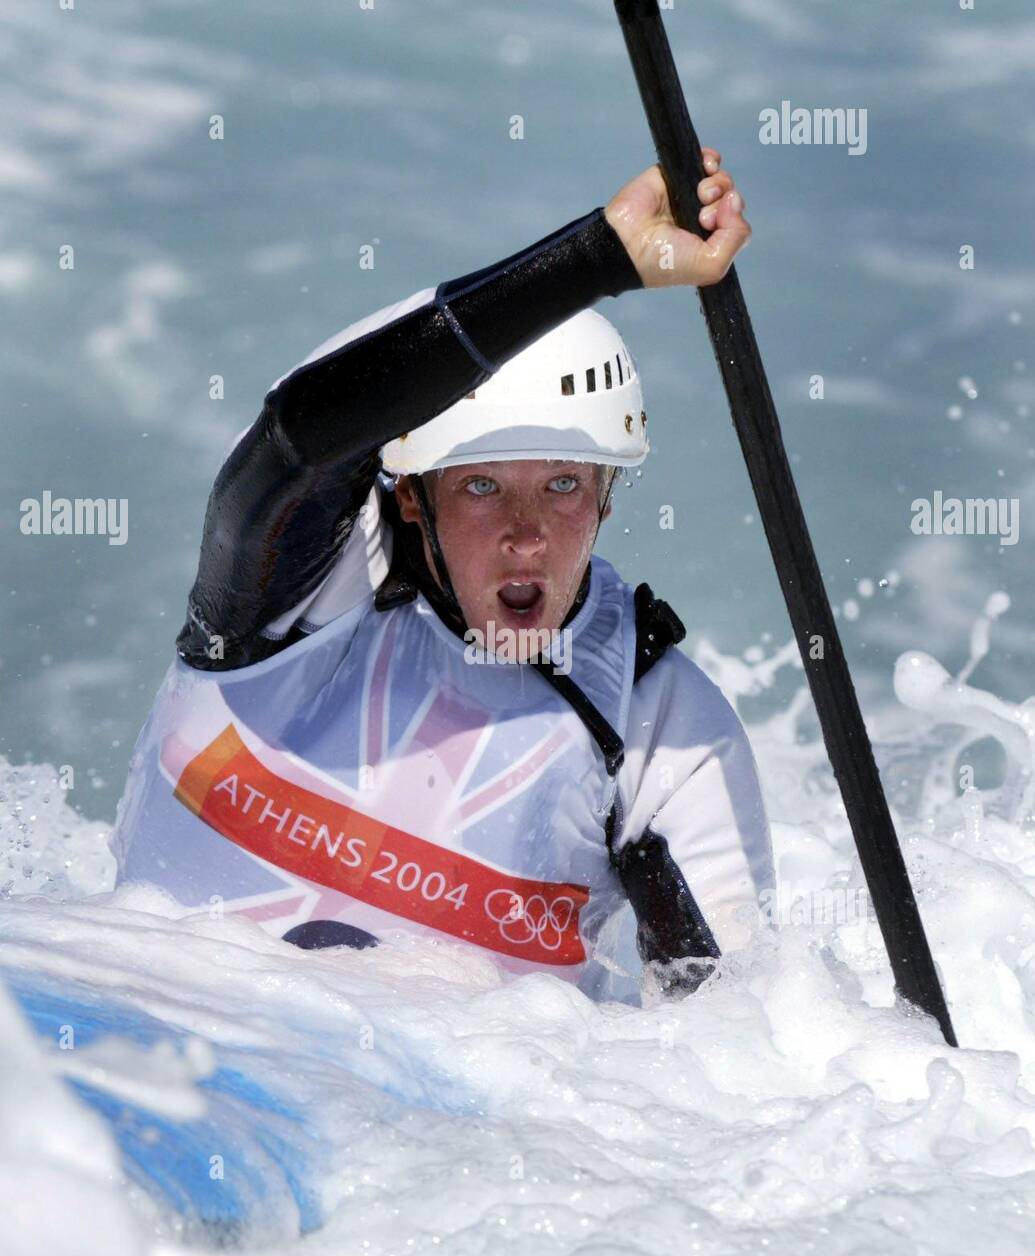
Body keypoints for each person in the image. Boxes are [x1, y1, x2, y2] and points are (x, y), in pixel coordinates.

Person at [111, 156, 775, 1003]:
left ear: (608, 494)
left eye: (564, 484)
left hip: (434, 1128)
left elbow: (731, 1034)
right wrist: (598, 259)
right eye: (482, 486)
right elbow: (298, 441)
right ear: (414, 497)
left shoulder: (662, 726)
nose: (526, 533)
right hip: (157, 1052)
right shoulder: (289, 607)